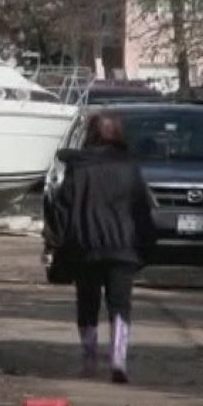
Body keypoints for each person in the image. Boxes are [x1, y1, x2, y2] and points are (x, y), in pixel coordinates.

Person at [45, 111, 155, 384]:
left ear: (91, 134)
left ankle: (90, 360)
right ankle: (118, 359)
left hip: (86, 246)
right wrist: (146, 245)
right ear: (119, 135)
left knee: (87, 302)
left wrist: (53, 243)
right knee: (120, 304)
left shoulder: (78, 167)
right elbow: (142, 210)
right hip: (123, 247)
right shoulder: (130, 167)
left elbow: (62, 208)